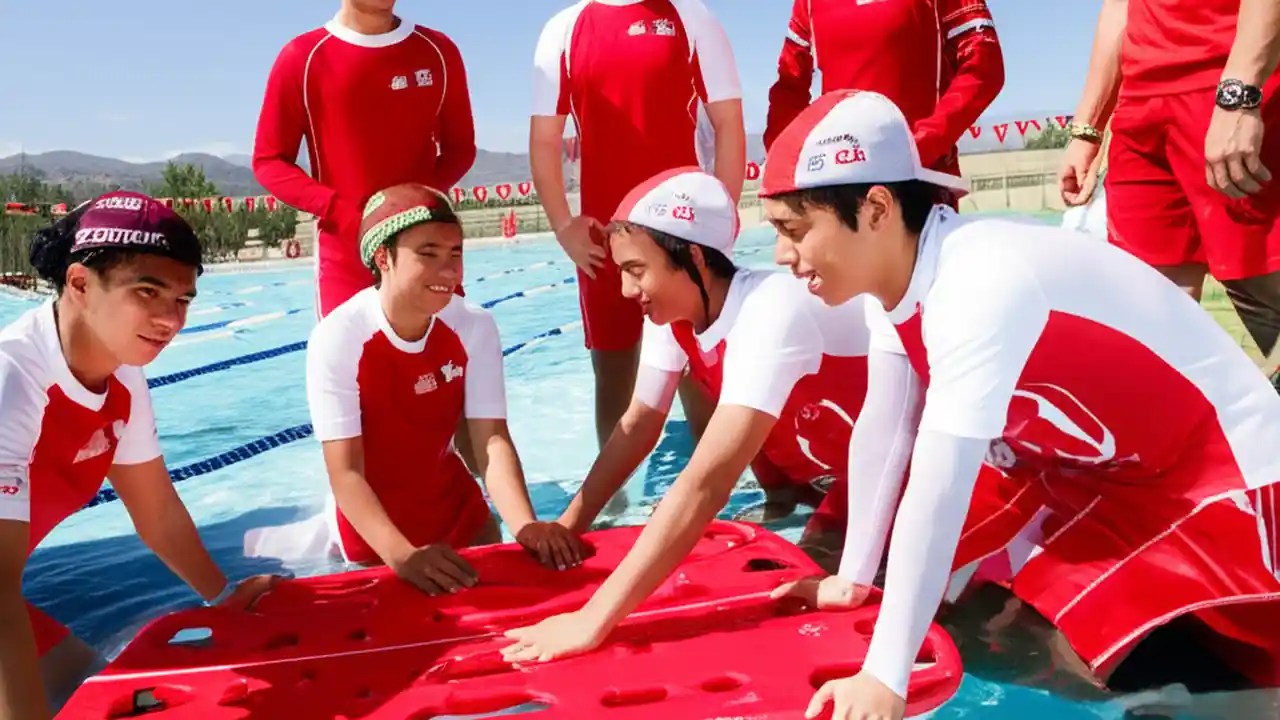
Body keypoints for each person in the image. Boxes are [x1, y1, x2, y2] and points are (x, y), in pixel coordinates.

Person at [760, 90, 1280, 720]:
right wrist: (854, 577)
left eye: (794, 230)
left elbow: (941, 480)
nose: (782, 255)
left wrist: (884, 679)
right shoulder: (897, 278)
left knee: (1212, 681)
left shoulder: (978, 281)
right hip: (1101, 468)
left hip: (1218, 470)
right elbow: (888, 425)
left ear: (875, 209)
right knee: (993, 612)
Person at [500, 167, 876, 662]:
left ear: (694, 257)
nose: (626, 290)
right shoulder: (674, 315)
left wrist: (591, 622)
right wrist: (569, 528)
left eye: (636, 270)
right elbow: (638, 426)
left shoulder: (772, 309)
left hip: (904, 476)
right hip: (838, 480)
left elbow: (707, 482)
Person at [0, 193, 278, 719]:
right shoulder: (13, 378)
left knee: (114, 700)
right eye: (147, 291)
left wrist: (223, 595)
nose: (170, 319)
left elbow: (157, 513)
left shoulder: (122, 375)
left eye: (182, 299)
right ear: (80, 284)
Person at [300, 184, 584, 592]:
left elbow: (491, 440)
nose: (449, 271)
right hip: (377, 541)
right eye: (428, 254)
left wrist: (525, 525)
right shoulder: (339, 338)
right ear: (383, 258)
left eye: (455, 254)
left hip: (463, 519)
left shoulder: (474, 326)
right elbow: (345, 473)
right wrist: (402, 556)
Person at [530, 0, 747, 456]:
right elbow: (545, 138)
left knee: (699, 372)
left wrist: (721, 220)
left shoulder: (691, 17)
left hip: (683, 232)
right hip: (603, 240)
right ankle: (616, 497)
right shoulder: (564, 29)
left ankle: (716, 488)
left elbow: (729, 121)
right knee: (613, 375)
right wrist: (564, 227)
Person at [1060, 0, 1280, 372]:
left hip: (1225, 83)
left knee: (1261, 283)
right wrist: (1087, 129)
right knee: (1151, 307)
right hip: (1139, 106)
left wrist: (1241, 92)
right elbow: (1118, 8)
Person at [253, 0, 477, 319]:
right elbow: (269, 161)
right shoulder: (303, 58)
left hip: (428, 254)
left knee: (445, 351)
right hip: (347, 261)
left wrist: (416, 208)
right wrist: (342, 212)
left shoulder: (438, 51)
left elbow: (460, 149)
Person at [763, 0, 1005, 185]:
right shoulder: (807, 3)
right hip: (838, 188)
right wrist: (781, 166)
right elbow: (789, 88)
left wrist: (918, 147)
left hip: (918, 186)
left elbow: (984, 66)